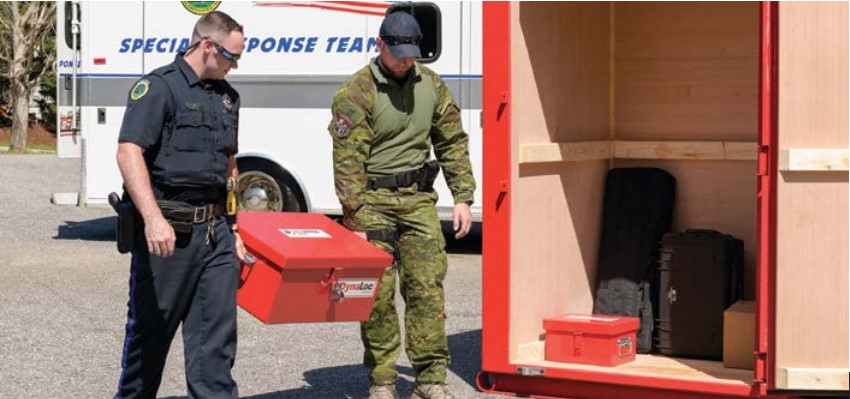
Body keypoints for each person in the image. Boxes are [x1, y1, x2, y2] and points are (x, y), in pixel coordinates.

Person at [328, 10, 476, 399]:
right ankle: (382, 380)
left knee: (427, 288)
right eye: (397, 54)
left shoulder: (431, 86)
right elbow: (348, 163)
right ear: (380, 45)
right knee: (376, 295)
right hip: (372, 200)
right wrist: (355, 219)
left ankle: (430, 379)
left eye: (411, 54)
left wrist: (463, 197)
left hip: (417, 200)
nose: (404, 61)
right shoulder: (356, 92)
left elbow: (452, 143)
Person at [112, 11, 246, 399]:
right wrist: (153, 220)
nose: (235, 65)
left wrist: (235, 228)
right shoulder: (158, 88)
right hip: (169, 235)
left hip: (215, 235)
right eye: (230, 56)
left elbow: (230, 165)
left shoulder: (227, 98)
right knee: (150, 338)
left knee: (216, 346)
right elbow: (128, 152)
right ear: (207, 46)